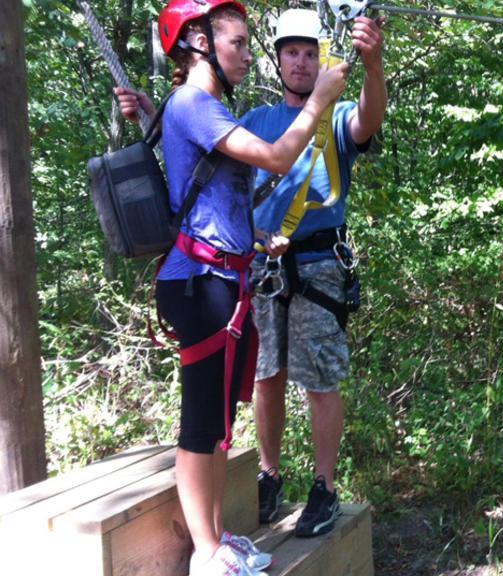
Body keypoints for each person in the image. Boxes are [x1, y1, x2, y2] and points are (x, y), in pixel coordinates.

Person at [119, 6, 387, 540]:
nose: (302, 62)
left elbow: (369, 119)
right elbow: (208, 151)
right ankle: (268, 475)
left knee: (318, 376)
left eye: (312, 53)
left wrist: (373, 67)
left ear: (321, 60)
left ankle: (324, 486)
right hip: (258, 266)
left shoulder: (333, 114)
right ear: (280, 59)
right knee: (265, 375)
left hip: (316, 262)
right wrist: (156, 116)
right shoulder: (257, 118)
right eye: (292, 52)